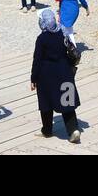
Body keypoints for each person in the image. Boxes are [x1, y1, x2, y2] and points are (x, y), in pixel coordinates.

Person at [30, 8, 80, 143]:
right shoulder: (63, 33)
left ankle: (47, 130)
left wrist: (33, 78)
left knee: (46, 103)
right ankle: (73, 130)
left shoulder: (42, 38)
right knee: (67, 103)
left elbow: (37, 60)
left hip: (47, 75)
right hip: (65, 71)